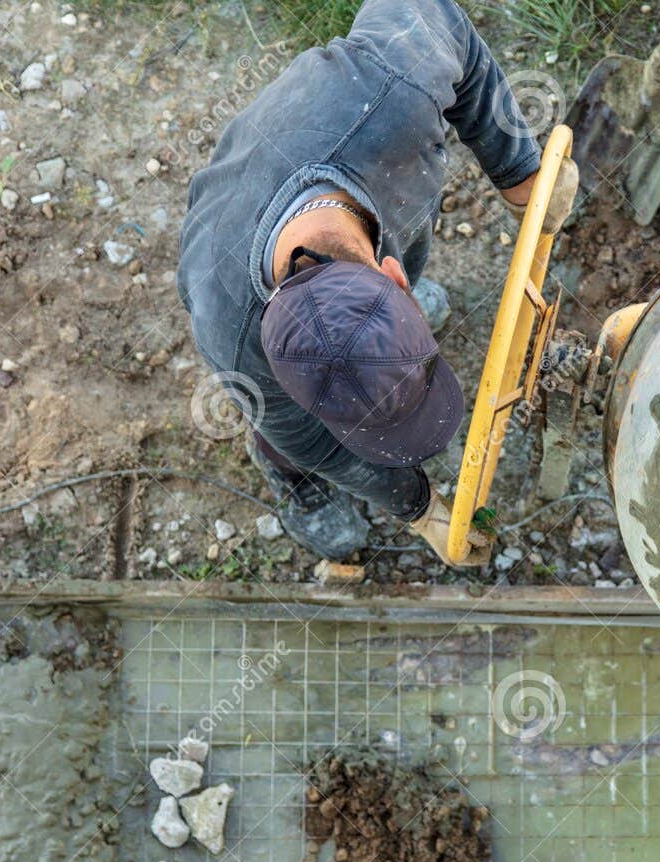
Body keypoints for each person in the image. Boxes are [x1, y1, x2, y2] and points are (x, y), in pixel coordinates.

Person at [176, 0, 576, 564]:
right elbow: (312, 439)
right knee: (276, 426)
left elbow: (442, 20)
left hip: (333, 135)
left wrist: (521, 174)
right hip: (230, 223)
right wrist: (420, 507)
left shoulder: (389, 96)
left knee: (371, 320)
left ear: (393, 274)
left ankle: (383, 332)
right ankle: (291, 479)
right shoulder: (234, 335)